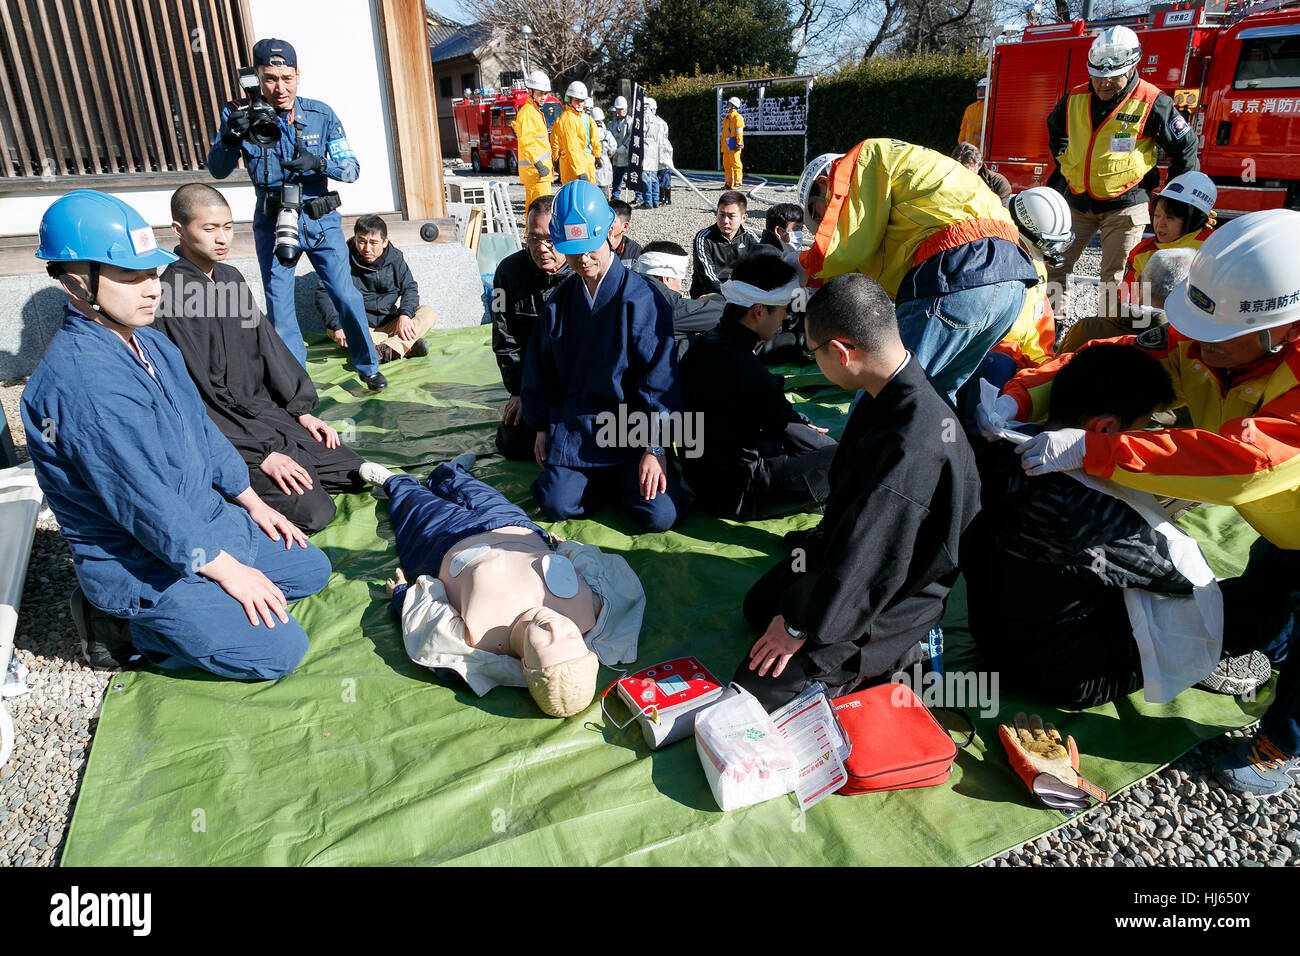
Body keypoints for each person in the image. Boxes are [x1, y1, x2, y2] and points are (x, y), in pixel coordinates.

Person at [1001, 209, 1300, 795]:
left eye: (1218, 338)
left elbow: (1248, 463)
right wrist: (1020, 397)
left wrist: (1101, 451)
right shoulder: (1211, 336)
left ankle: (1283, 744)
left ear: (1282, 328)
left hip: (1281, 499)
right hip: (1284, 524)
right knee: (1272, 588)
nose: (1198, 346)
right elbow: (1110, 360)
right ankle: (1267, 641)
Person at [23, 190, 330, 679]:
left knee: (312, 570)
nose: (152, 288)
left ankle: (205, 589)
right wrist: (228, 571)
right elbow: (142, 502)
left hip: (202, 516)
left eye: (152, 272)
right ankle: (121, 625)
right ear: (78, 283)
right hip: (136, 553)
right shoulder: (83, 385)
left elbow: (202, 431)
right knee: (277, 651)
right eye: (130, 275)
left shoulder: (148, 341)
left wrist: (253, 502)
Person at [966, 343, 1272, 708]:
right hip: (1064, 675)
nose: (1141, 440)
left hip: (991, 633)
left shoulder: (999, 447)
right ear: (1105, 428)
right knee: (1248, 603)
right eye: (1142, 428)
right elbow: (1181, 579)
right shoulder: (1092, 513)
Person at [733, 272, 981, 710]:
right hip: (851, 550)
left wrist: (797, 626)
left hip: (893, 596)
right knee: (758, 607)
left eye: (814, 353)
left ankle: (897, 657)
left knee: (758, 690)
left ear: (842, 353)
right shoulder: (888, 388)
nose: (814, 364)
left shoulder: (913, 444)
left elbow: (874, 558)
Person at [154, 183, 365, 536]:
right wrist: (259, 454)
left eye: (227, 227)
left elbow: (268, 348)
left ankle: (295, 467)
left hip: (265, 412)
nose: (221, 238)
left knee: (352, 470)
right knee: (314, 511)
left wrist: (301, 411)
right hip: (226, 431)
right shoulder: (170, 296)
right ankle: (226, 496)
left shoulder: (230, 278)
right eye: (208, 228)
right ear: (179, 230)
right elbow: (194, 396)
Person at [365, 455, 644, 718]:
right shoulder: (592, 613)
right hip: (513, 525)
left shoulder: (478, 641)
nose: (556, 628)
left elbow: (429, 629)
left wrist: (403, 596)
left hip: (442, 541)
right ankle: (450, 472)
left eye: (547, 643)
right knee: (475, 491)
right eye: (571, 639)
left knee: (415, 503)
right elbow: (612, 578)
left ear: (525, 667)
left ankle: (395, 482)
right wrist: (572, 551)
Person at [207, 37, 385, 391]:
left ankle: (368, 365)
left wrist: (320, 163)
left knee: (346, 295)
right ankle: (296, 384)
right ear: (257, 76)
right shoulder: (240, 114)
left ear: (298, 75)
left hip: (320, 218)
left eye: (287, 77)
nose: (279, 87)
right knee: (279, 305)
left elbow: (351, 169)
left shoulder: (321, 114)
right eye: (270, 78)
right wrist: (230, 138)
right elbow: (217, 170)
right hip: (273, 219)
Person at [799, 140, 1038, 400]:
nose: (826, 223)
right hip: (1013, 280)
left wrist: (798, 267)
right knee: (937, 396)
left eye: (819, 214)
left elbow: (846, 248)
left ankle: (862, 442)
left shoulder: (861, 162)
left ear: (824, 182)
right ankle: (945, 441)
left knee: (886, 388)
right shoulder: (914, 171)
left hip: (961, 272)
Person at [521, 180, 684, 532]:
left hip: (630, 431)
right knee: (555, 503)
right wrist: (540, 426)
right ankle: (596, 483)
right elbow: (541, 370)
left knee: (660, 517)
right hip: (578, 426)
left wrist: (656, 449)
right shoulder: (561, 301)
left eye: (589, 247)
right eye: (573, 250)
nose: (582, 259)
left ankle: (615, 481)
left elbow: (660, 381)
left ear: (611, 234)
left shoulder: (643, 299)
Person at [1045, 26, 1199, 321]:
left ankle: (1109, 330)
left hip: (1127, 202)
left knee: (1114, 277)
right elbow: (1055, 130)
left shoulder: (1153, 102)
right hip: (1079, 200)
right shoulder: (1075, 97)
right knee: (1056, 265)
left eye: (1112, 78)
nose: (1104, 84)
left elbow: (1185, 147)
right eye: (1098, 77)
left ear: (1130, 70)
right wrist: (1067, 162)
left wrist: (1178, 201)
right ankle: (1054, 325)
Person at [679, 250, 838, 520]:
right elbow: (799, 438)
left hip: (699, 476)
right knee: (852, 457)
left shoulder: (703, 344)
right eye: (783, 310)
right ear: (759, 311)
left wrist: (794, 421)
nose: (786, 318)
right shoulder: (748, 370)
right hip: (739, 493)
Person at [1060, 171, 1217, 352]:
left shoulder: (1211, 251)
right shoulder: (1143, 251)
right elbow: (1128, 298)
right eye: (1157, 216)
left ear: (1193, 219)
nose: (1160, 224)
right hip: (1142, 326)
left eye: (1170, 218)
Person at [492, 195, 569, 461]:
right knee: (513, 443)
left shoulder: (582, 271)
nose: (542, 248)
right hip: (530, 382)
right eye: (534, 238)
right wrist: (519, 390)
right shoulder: (507, 272)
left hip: (573, 384)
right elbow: (504, 337)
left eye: (550, 239)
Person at [313, 214, 436, 363]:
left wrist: (405, 314)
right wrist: (337, 325)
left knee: (428, 313)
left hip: (390, 323)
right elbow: (323, 292)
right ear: (355, 238)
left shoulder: (396, 259)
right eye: (362, 241)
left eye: (373, 242)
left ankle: (383, 350)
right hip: (359, 325)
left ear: (385, 242)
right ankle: (401, 347)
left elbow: (409, 287)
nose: (367, 248)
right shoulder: (341, 259)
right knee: (333, 330)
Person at [636, 240, 725, 359]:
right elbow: (723, 314)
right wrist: (711, 299)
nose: (680, 286)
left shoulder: (629, 286)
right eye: (680, 279)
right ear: (666, 278)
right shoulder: (668, 304)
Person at [690, 190, 762, 298]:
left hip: (741, 295)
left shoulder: (749, 237)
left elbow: (764, 265)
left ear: (743, 218)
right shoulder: (703, 238)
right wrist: (731, 297)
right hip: (710, 296)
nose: (725, 221)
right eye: (721, 214)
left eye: (731, 216)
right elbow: (707, 276)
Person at [513, 70, 556, 213]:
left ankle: (539, 235)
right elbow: (527, 142)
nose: (543, 97)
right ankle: (532, 235)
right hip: (535, 173)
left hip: (540, 173)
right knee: (537, 211)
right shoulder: (527, 113)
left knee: (542, 211)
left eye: (545, 93)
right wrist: (538, 164)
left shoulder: (535, 112)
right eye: (539, 93)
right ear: (530, 92)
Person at [550, 81, 599, 186]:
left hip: (578, 164)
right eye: (577, 101)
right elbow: (572, 147)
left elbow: (555, 139)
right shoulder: (569, 118)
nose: (580, 104)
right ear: (569, 100)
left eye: (582, 101)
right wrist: (580, 171)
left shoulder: (575, 117)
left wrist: (555, 158)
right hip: (574, 168)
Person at [640, 97, 665, 208]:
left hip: (646, 148)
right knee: (654, 178)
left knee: (646, 177)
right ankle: (655, 201)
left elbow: (641, 133)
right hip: (655, 149)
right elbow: (661, 138)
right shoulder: (657, 120)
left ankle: (648, 202)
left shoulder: (644, 118)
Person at [610, 95, 632, 201]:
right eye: (618, 109)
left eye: (622, 109)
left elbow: (632, 135)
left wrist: (625, 146)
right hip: (616, 154)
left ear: (626, 109)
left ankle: (639, 196)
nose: (620, 111)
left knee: (633, 176)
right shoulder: (612, 122)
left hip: (627, 153)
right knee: (617, 177)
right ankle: (615, 197)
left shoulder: (630, 121)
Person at [607, 199, 643, 264]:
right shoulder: (595, 247)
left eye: (611, 221)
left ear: (625, 226)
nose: (606, 224)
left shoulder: (634, 251)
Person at [721, 96, 745, 190]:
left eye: (730, 103)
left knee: (735, 163)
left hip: (733, 142)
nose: (727, 105)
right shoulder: (727, 117)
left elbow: (739, 132)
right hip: (727, 143)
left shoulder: (737, 117)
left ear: (734, 106)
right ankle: (728, 183)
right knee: (727, 164)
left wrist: (738, 143)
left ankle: (738, 183)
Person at [957, 78, 987, 150]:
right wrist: (961, 143)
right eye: (979, 89)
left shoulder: (991, 107)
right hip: (968, 148)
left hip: (983, 150)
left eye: (983, 89)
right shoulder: (970, 108)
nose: (980, 91)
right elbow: (963, 128)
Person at [593, 107, 616, 200]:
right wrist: (607, 155)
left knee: (594, 190)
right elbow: (613, 147)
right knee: (605, 189)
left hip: (593, 162)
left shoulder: (588, 134)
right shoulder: (607, 133)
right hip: (605, 161)